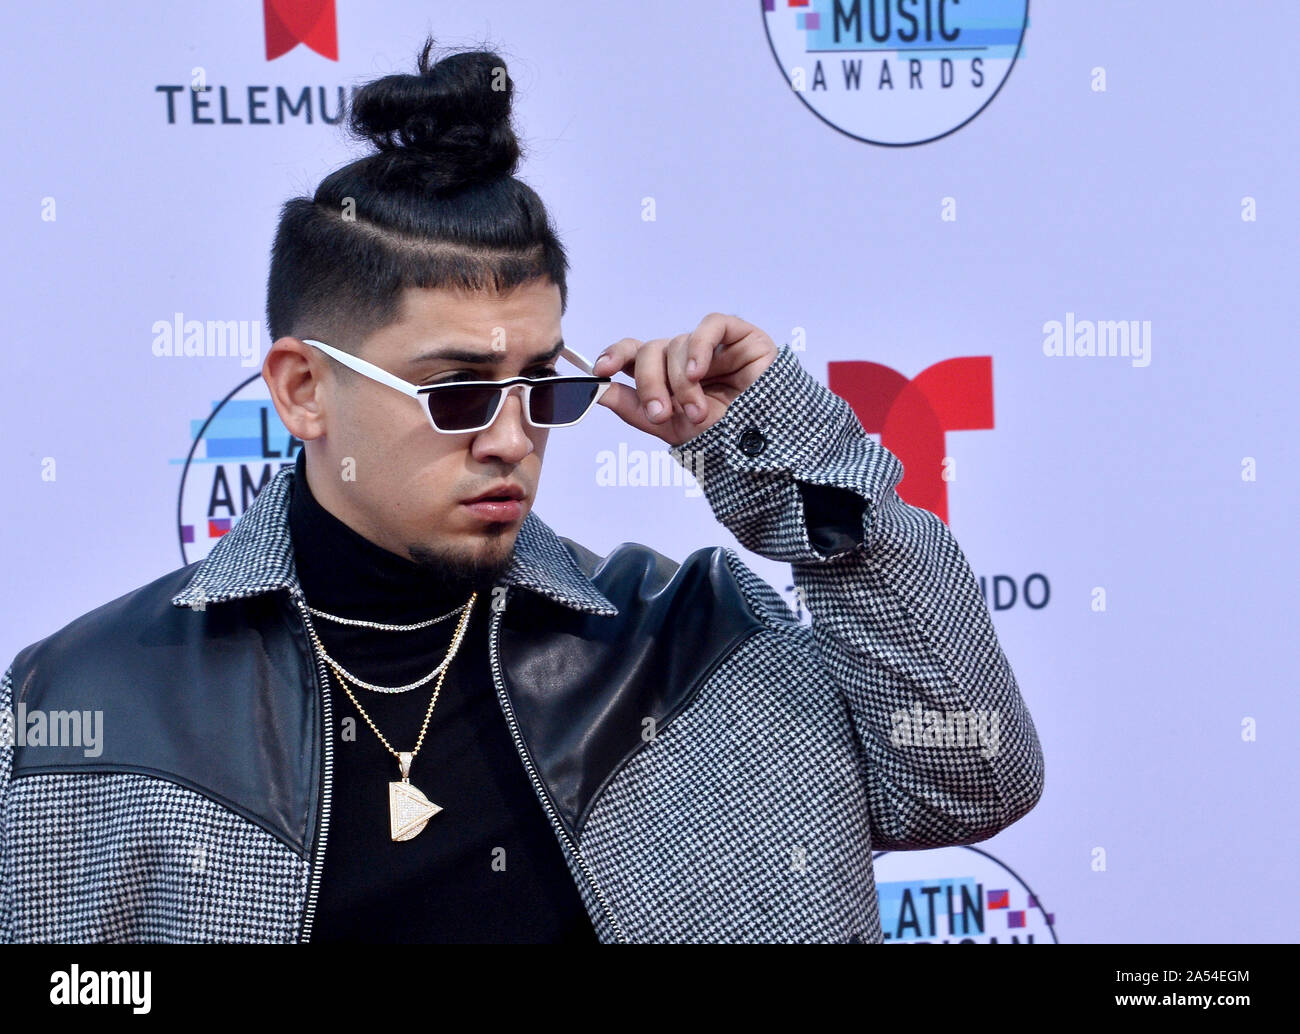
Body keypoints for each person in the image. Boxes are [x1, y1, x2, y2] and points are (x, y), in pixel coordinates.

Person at [0, 37, 1044, 943]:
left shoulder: (690, 641)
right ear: (303, 388)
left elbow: (972, 775)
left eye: (543, 385)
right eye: (456, 393)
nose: (511, 438)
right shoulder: (88, 701)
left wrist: (786, 464)